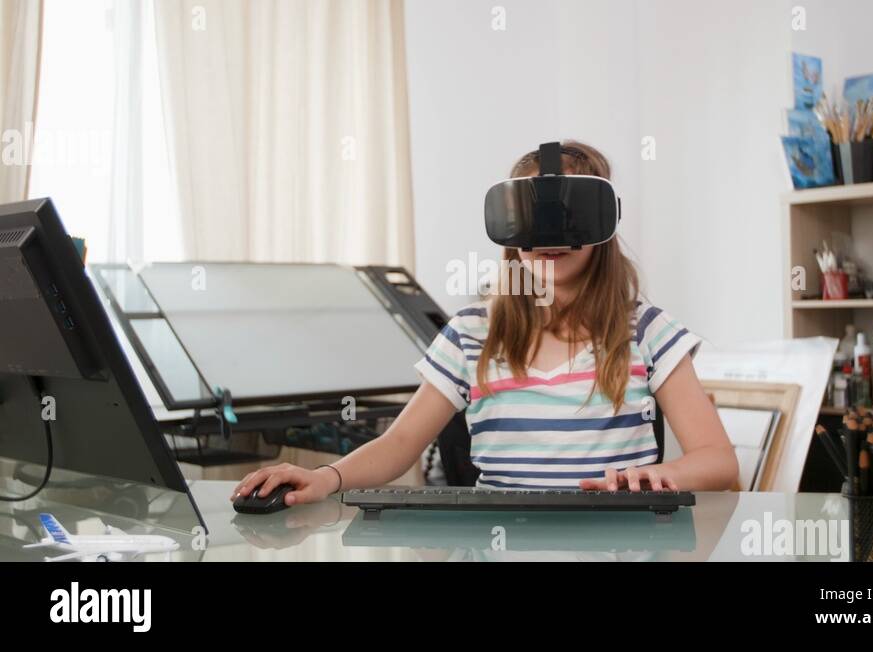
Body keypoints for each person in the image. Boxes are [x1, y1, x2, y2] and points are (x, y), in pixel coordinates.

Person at [232, 141, 737, 506]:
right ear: (510, 227)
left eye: (568, 217)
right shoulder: (472, 333)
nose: (550, 237)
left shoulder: (648, 332)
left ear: (602, 223)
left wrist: (657, 476)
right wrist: (326, 478)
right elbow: (401, 444)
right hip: (501, 542)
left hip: (621, 541)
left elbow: (717, 459)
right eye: (534, 220)